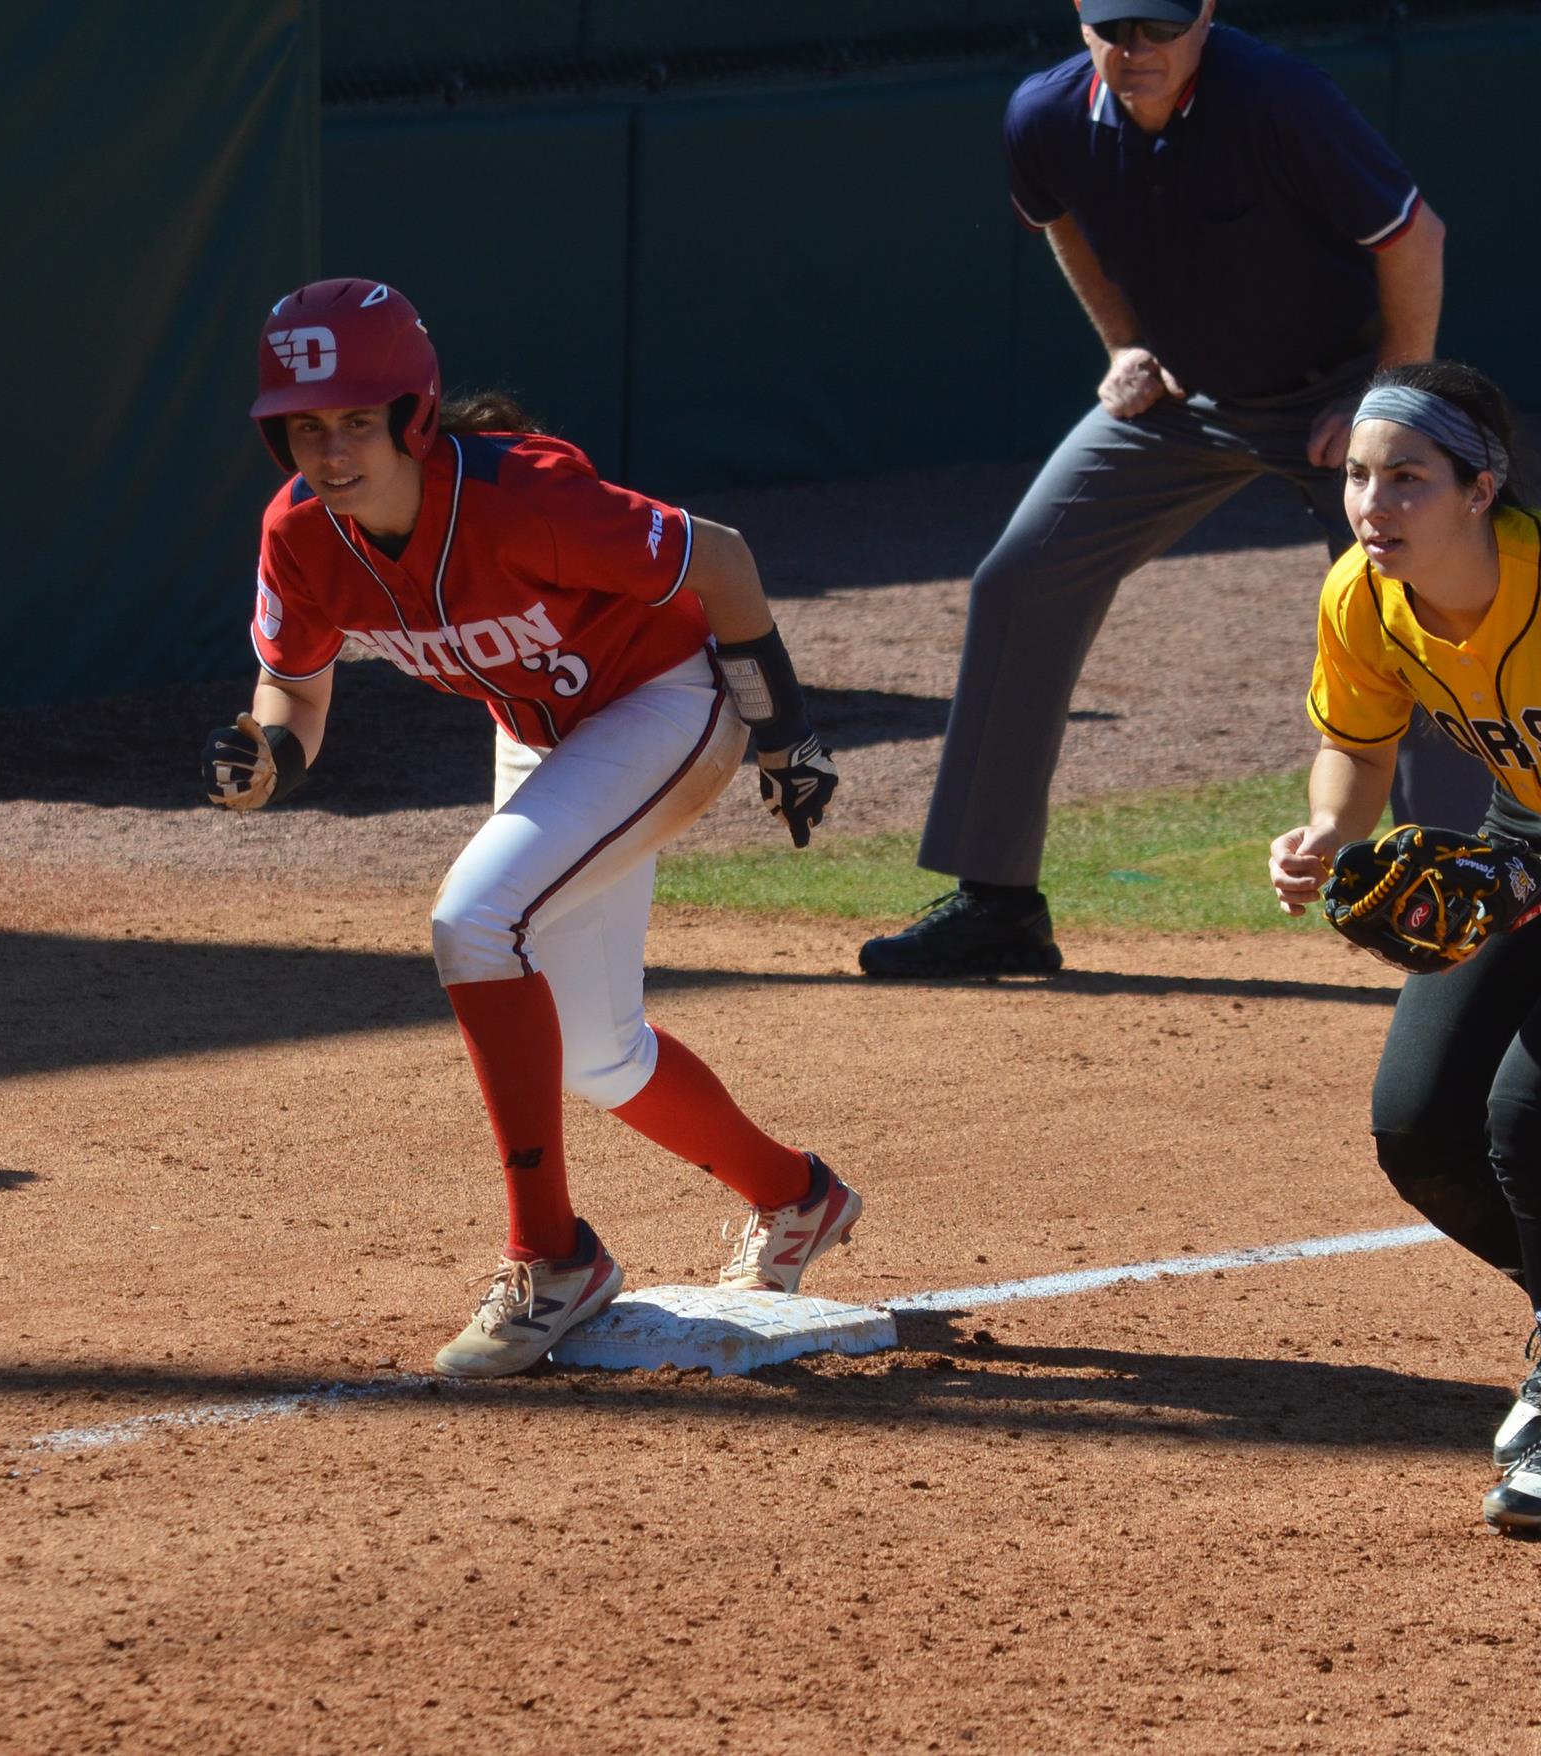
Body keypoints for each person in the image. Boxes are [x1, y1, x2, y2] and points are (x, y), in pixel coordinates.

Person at [206, 277, 862, 1378]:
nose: (330, 450)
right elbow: (295, 695)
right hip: (548, 732)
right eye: (306, 427)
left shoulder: (523, 496)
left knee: (474, 918)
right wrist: (267, 756)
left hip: (664, 699)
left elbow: (725, 561)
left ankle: (551, 1257)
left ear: (412, 417)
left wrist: (784, 733)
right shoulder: (302, 537)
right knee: (600, 1053)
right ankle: (796, 1197)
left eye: (357, 421)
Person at [859, 0, 1482, 980]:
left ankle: (1457, 905)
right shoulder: (1045, 116)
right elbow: (1054, 215)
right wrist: (1122, 342)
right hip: (1188, 397)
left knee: (1417, 602)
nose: (1133, 49)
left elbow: (1414, 238)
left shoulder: (1279, 100)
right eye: (1112, 27)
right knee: (1019, 578)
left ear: (1203, 16)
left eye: (1155, 25)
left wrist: (1389, 407)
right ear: (1078, 21)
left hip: (1339, 392)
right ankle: (995, 901)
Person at [1267, 361, 1541, 1536]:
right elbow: (1357, 744)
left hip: (1527, 857)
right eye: (1358, 477)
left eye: (1407, 480)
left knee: (1526, 1120)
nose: (1372, 504)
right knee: (1420, 1123)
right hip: (1521, 833)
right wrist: (1329, 827)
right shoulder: (1358, 597)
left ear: (1480, 489)